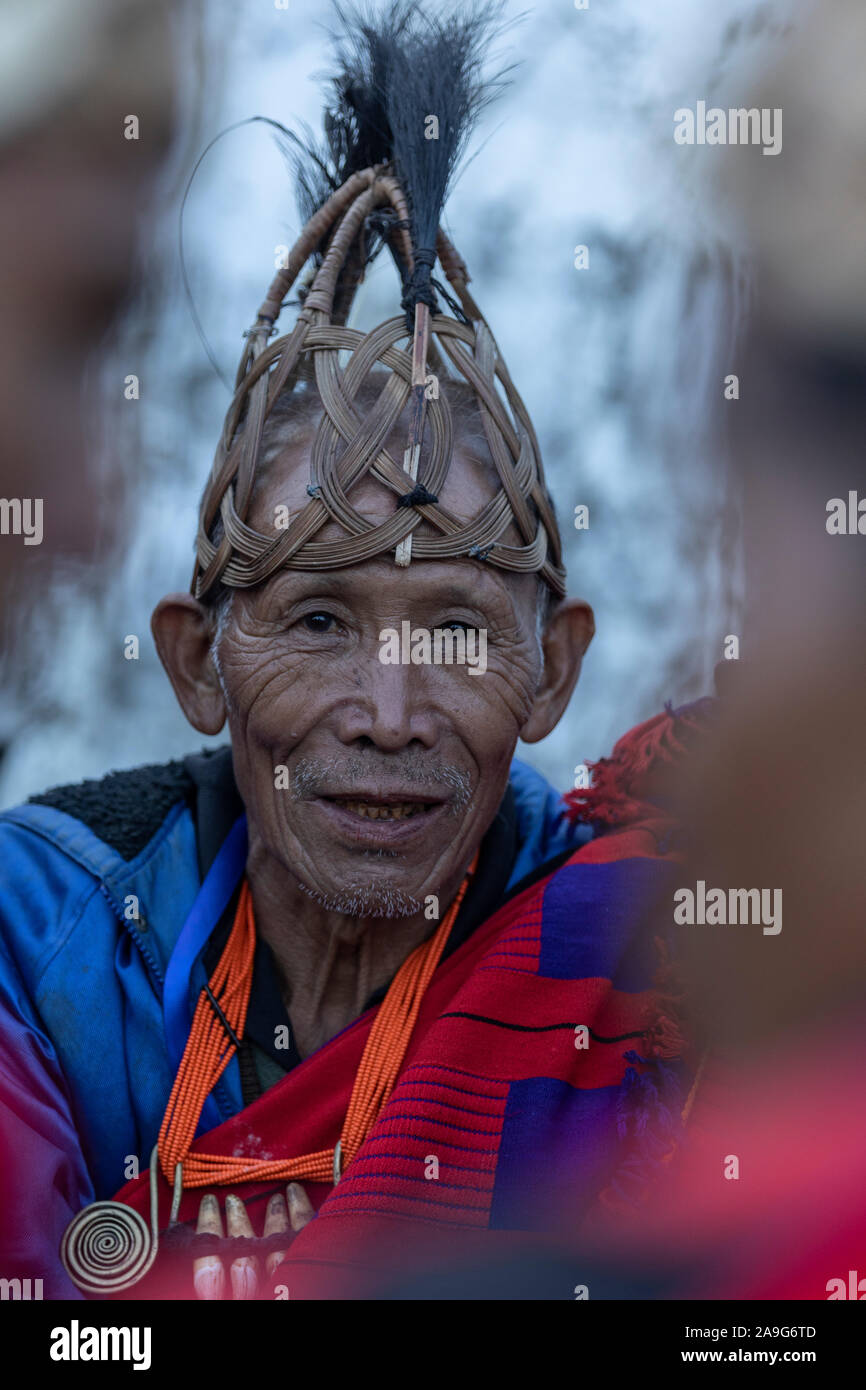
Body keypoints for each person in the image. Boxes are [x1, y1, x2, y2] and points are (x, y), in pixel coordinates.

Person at [0, 2, 706, 1301]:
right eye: (317, 621)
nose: (388, 711)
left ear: (550, 668)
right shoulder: (45, 928)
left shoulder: (649, 974)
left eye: (453, 626)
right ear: (196, 663)